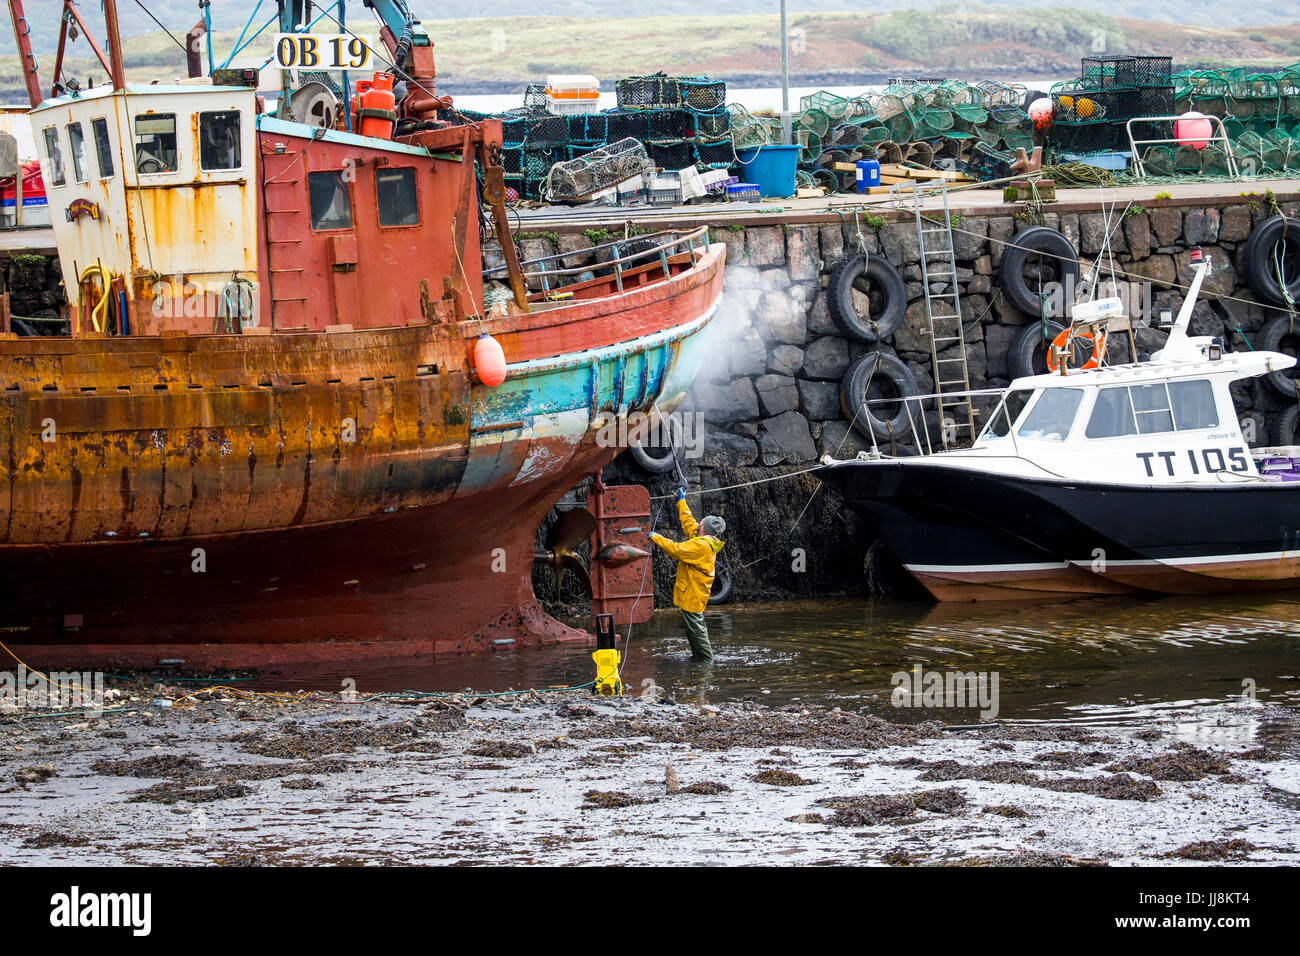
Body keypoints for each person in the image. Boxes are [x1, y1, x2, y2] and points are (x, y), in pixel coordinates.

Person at [648, 488, 725, 661]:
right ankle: (699, 657)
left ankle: (706, 661)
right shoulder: (702, 537)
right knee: (693, 628)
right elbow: (689, 522)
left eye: (702, 522)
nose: (699, 522)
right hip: (691, 593)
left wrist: (656, 538)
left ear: (704, 528)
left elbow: (676, 550)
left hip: (693, 595)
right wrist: (681, 501)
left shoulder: (702, 547)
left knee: (696, 628)